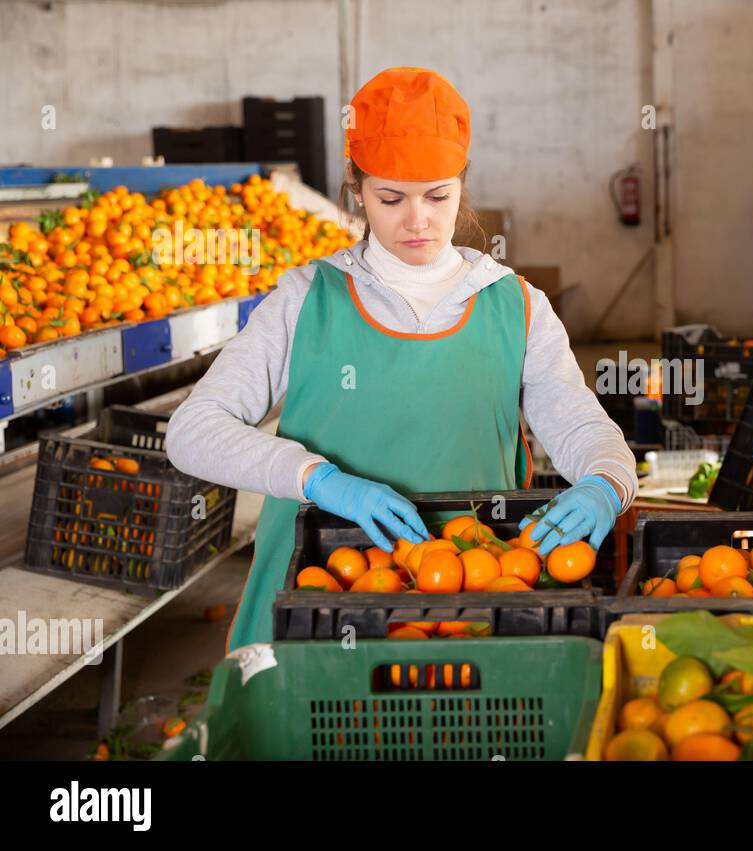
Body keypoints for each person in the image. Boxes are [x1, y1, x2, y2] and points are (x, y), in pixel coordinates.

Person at [166, 67, 637, 650]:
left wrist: (607, 480)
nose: (418, 220)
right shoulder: (306, 298)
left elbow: (579, 423)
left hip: (472, 586)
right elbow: (191, 432)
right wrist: (320, 479)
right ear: (356, 190)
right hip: (320, 591)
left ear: (463, 186)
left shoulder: (514, 305)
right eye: (391, 198)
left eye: (438, 196)